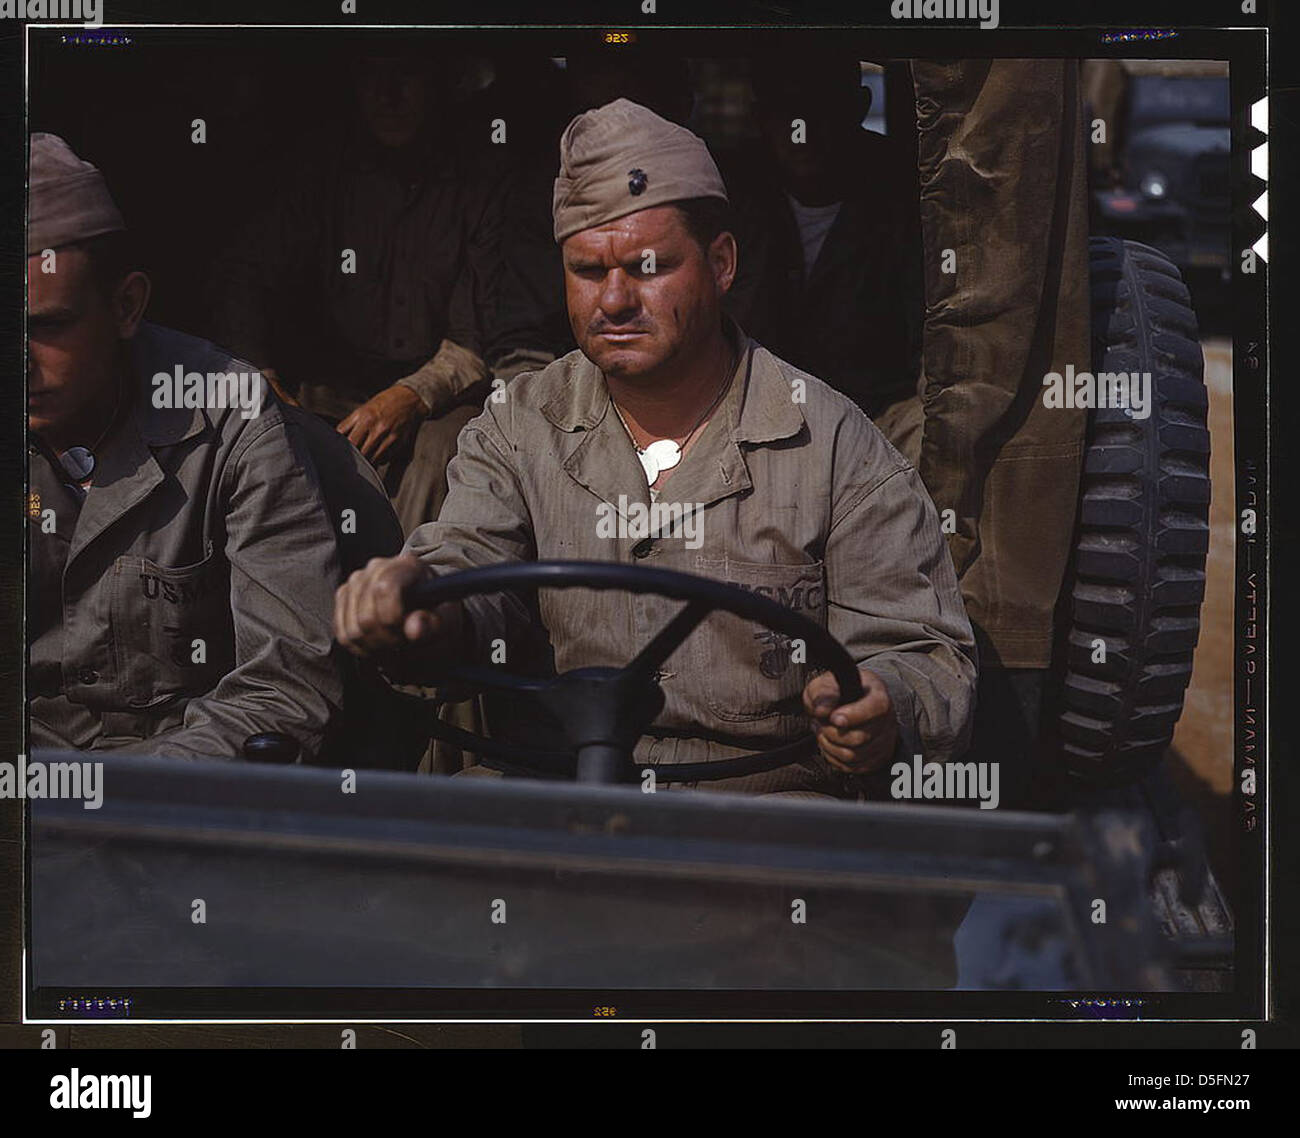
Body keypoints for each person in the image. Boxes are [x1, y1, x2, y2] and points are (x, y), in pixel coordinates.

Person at [334, 100, 977, 797]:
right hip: (555, 789)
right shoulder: (517, 428)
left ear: (722, 263)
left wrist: (884, 705)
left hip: (763, 811)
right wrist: (420, 607)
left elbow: (921, 654)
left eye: (647, 267)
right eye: (586, 270)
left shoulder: (833, 444)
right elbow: (471, 567)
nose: (612, 301)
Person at [27, 133, 348, 760]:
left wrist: (116, 798)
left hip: (182, 810)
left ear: (125, 306)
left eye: (47, 327)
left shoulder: (231, 420)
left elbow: (287, 694)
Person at [208, 49, 506, 533]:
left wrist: (412, 395)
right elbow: (244, 273)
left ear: (439, 81)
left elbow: (477, 339)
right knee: (260, 436)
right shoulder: (319, 169)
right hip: (327, 383)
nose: (388, 95)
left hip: (438, 392)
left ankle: (401, 592)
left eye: (406, 71)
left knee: (444, 450)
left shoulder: (480, 182)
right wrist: (261, 376)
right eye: (371, 72)